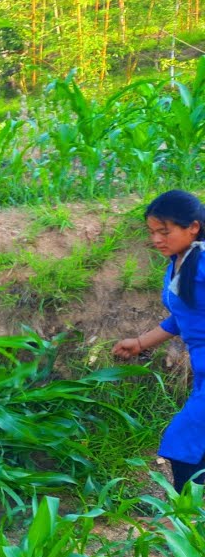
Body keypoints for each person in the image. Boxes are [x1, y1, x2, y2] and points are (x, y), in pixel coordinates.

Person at [114, 189, 205, 493]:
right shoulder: (180, 261)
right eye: (152, 232)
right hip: (201, 372)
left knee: (183, 441)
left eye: (164, 231)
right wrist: (140, 343)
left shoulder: (202, 263)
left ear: (193, 227)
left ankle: (185, 515)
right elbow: (182, 317)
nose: (156, 239)